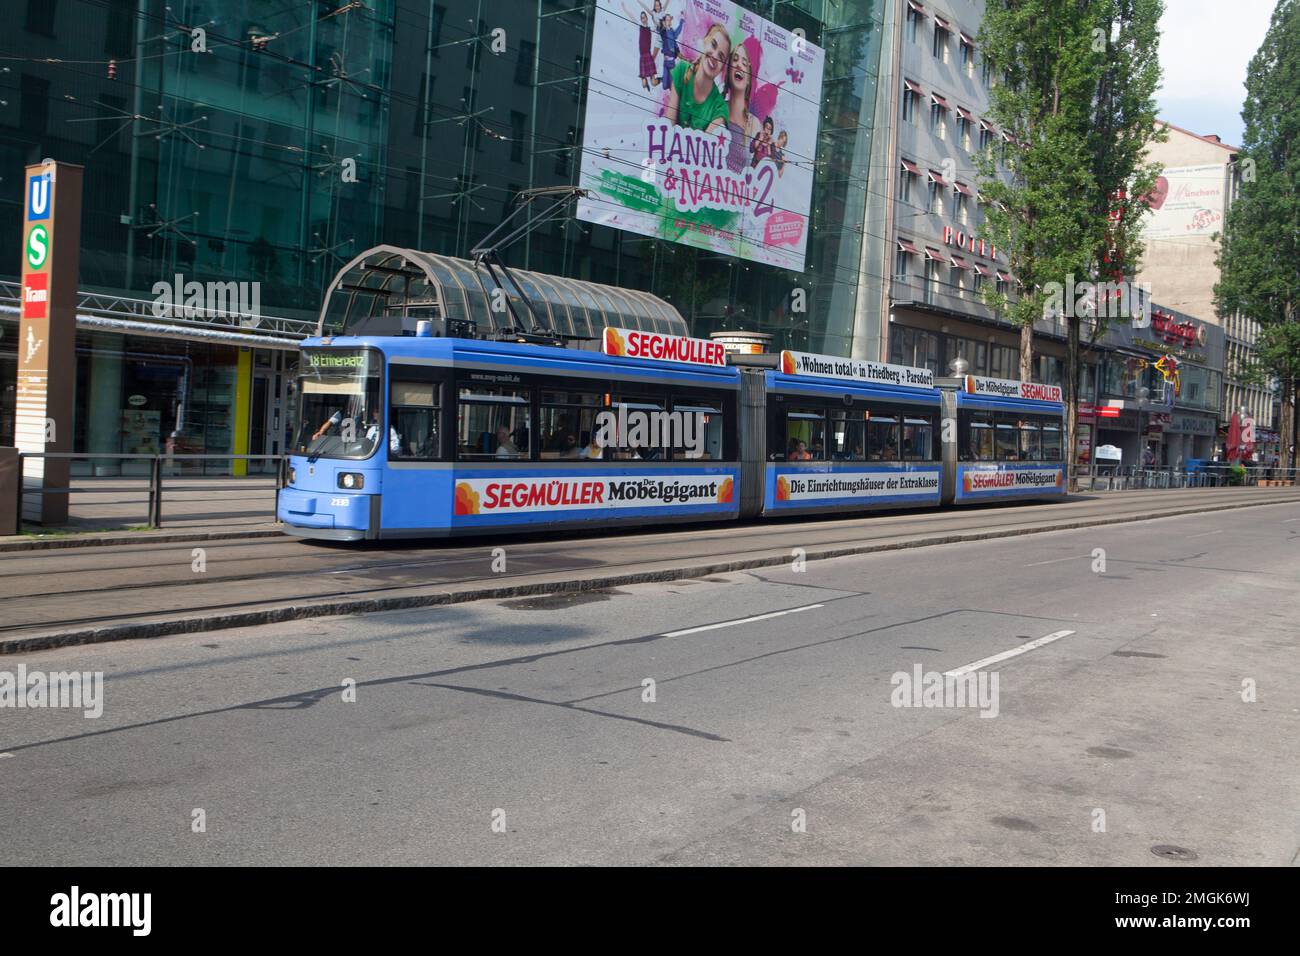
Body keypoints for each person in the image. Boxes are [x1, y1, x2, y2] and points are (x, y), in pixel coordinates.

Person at [664, 23, 731, 133]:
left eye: (721, 57)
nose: (714, 56)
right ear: (705, 42)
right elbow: (668, 129)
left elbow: (704, 149)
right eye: (713, 45)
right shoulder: (682, 70)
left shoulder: (720, 108)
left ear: (722, 67)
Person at [658, 12, 684, 91]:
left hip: (671, 62)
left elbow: (676, 34)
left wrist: (681, 22)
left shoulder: (672, 32)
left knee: (671, 87)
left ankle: (675, 85)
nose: (669, 22)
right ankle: (669, 80)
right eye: (667, 20)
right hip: (665, 63)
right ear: (664, 22)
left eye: (670, 20)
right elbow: (661, 29)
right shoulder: (663, 32)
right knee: (664, 86)